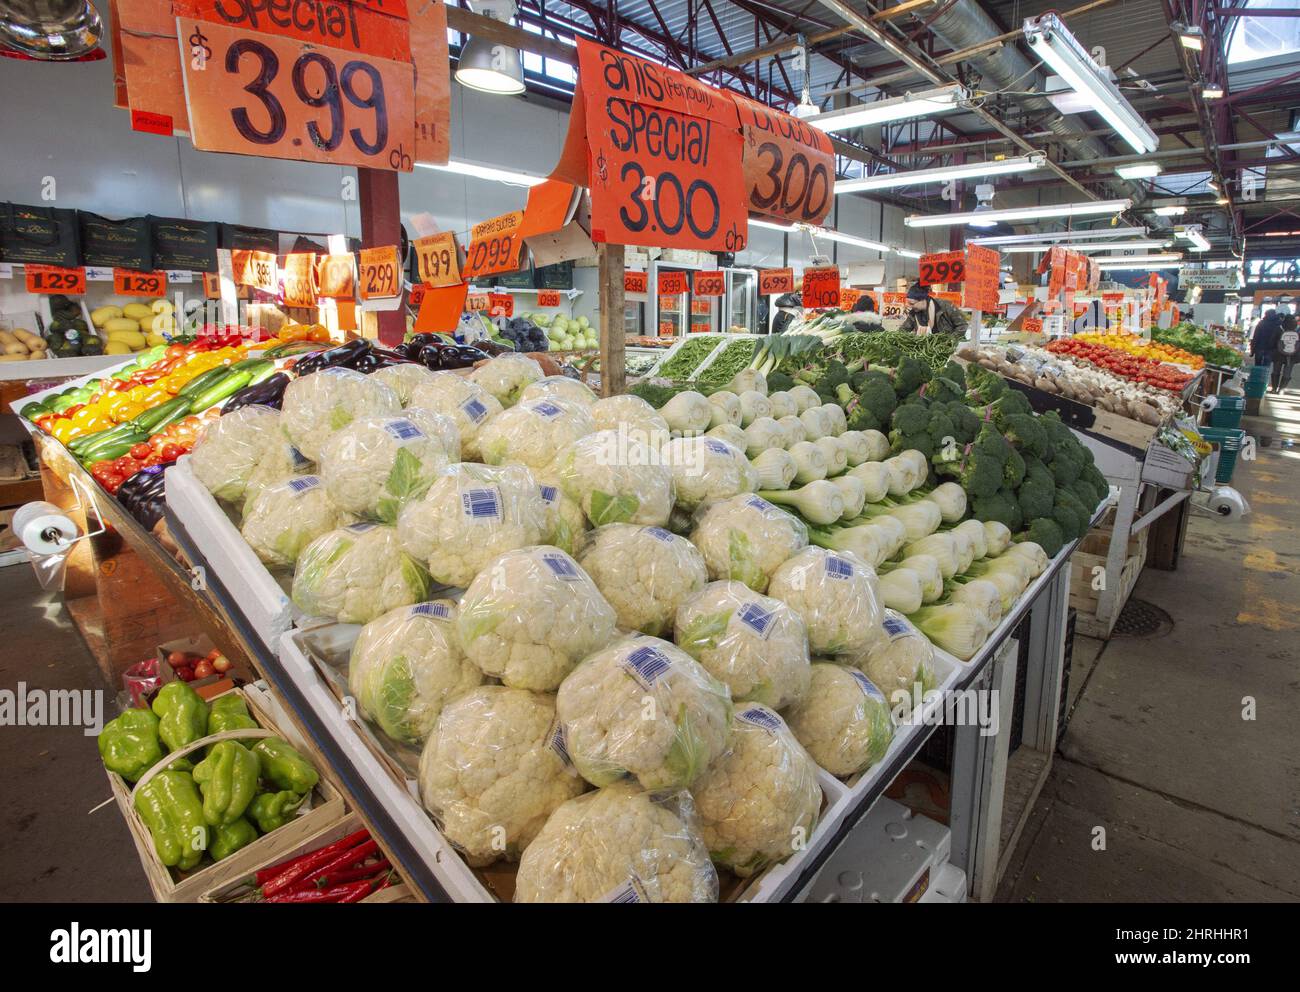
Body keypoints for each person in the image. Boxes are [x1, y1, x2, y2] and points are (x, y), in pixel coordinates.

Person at [899, 282, 968, 337]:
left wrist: (949, 341)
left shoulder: (945, 306)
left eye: (912, 303)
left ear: (923, 300)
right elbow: (903, 330)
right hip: (927, 349)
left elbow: (962, 325)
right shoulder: (913, 313)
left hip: (948, 349)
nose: (910, 306)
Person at [1271, 314, 1298, 393]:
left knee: (1276, 371)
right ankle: (1281, 390)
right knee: (1287, 373)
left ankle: (1274, 388)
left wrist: (1273, 350)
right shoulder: (1296, 330)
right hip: (1292, 355)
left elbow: (1272, 342)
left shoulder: (1279, 328)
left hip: (1278, 354)